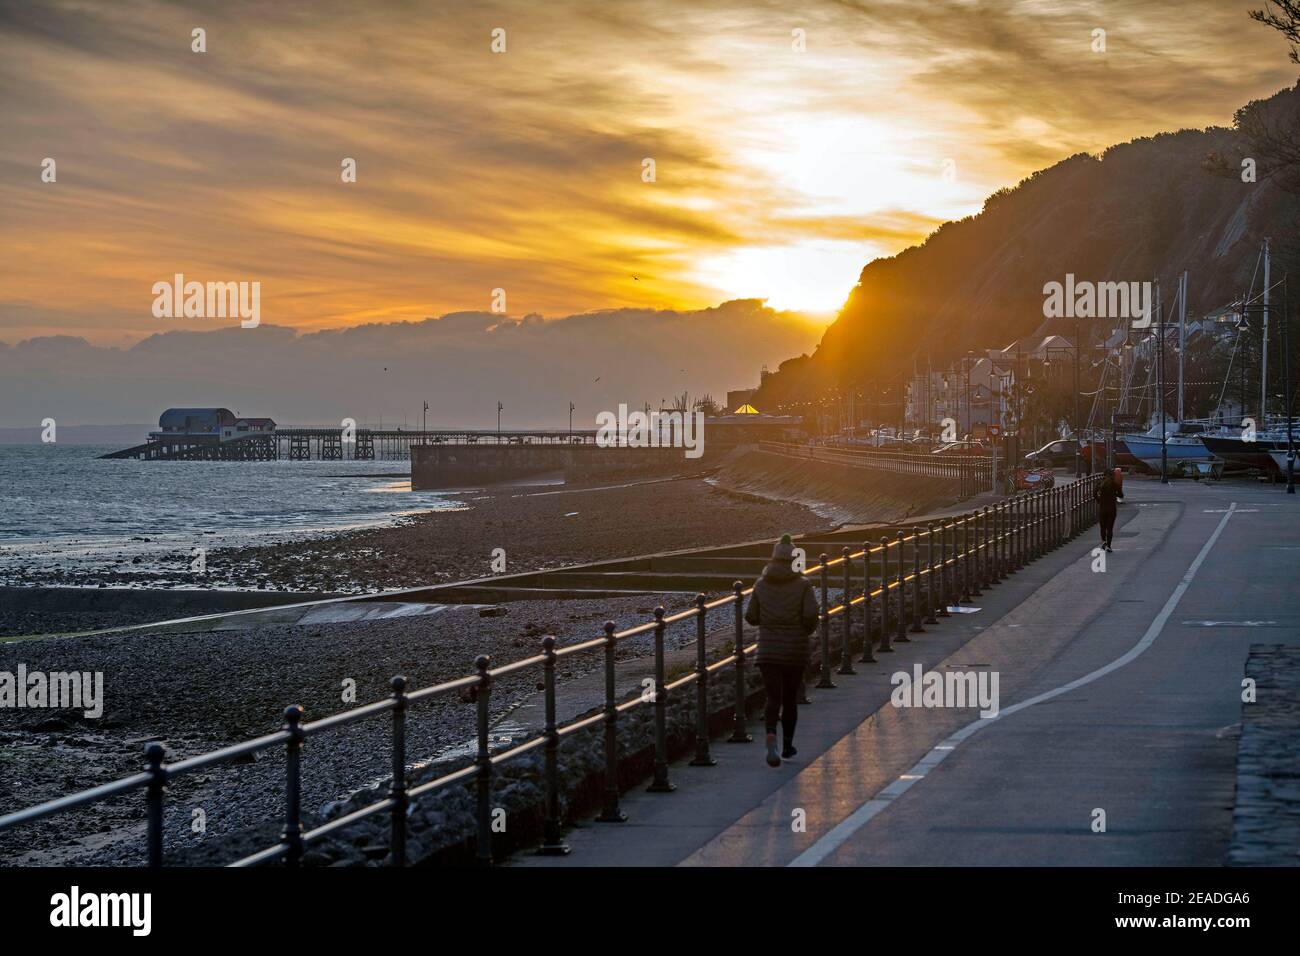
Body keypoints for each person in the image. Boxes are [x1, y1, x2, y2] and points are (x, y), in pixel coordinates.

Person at [744, 533, 819, 767]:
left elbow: (751, 616)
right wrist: (805, 631)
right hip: (794, 650)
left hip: (767, 650)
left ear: (773, 559)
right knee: (790, 699)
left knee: (772, 698)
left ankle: (770, 735)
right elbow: (810, 616)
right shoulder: (804, 585)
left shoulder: (760, 584)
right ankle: (787, 746)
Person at [1094, 469, 1124, 551]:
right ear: (1112, 476)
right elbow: (1121, 495)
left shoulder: (1100, 484)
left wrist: (1098, 500)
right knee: (1110, 528)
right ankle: (1109, 545)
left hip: (1102, 508)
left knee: (1102, 527)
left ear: (1104, 475)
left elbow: (1094, 493)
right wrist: (1115, 494)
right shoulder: (1115, 484)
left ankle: (1103, 541)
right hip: (1111, 508)